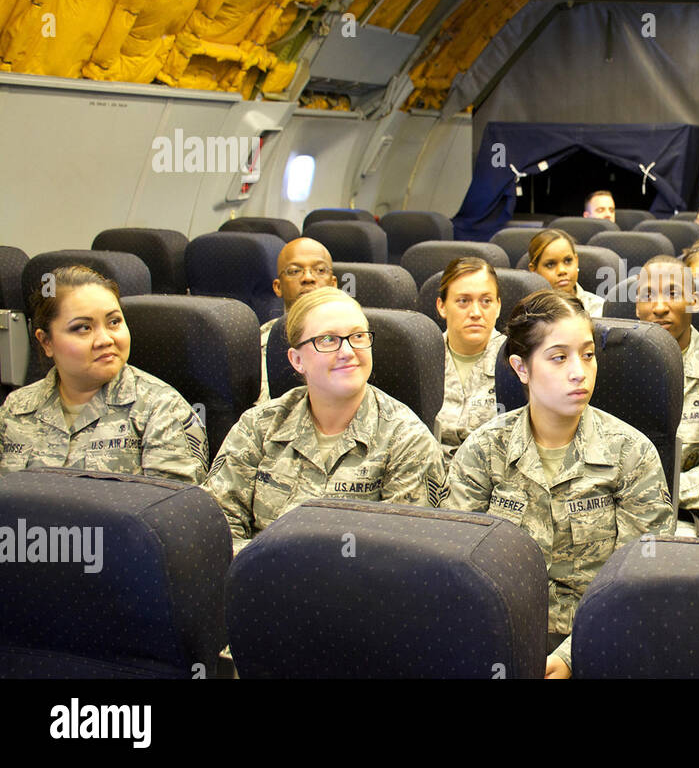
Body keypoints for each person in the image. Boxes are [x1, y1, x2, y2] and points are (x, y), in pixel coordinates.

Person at [444, 290, 674, 678]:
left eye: (587, 355)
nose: (579, 372)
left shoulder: (631, 454)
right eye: (558, 357)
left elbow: (637, 581)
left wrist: (568, 658)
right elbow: (456, 569)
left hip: (601, 642)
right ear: (521, 368)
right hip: (497, 642)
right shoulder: (484, 451)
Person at [205, 287, 435, 552]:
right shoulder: (259, 426)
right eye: (328, 340)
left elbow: (401, 556)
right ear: (297, 360)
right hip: (257, 583)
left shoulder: (406, 439)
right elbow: (217, 530)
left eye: (358, 336)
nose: (348, 351)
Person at [0, 265, 208, 483]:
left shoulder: (162, 410)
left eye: (114, 322)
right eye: (83, 328)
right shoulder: (15, 410)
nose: (106, 340)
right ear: (46, 341)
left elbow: (171, 512)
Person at [635, 256, 699, 535]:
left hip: (690, 514)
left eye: (673, 293)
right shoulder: (614, 365)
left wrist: (663, 493)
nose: (659, 307)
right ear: (637, 306)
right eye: (648, 296)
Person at [433, 257, 506, 470]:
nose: (475, 312)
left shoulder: (516, 362)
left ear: (498, 306)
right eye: (463, 301)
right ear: (442, 306)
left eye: (486, 301)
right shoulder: (423, 357)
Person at [258, 238, 337, 403]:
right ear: (278, 287)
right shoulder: (260, 341)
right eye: (294, 271)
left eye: (320, 270)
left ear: (333, 283)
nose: (308, 278)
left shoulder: (356, 339)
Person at [527, 228, 603, 317]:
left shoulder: (598, 308)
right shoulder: (525, 311)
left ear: (576, 261)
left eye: (568, 261)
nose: (562, 270)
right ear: (534, 270)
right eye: (550, 265)